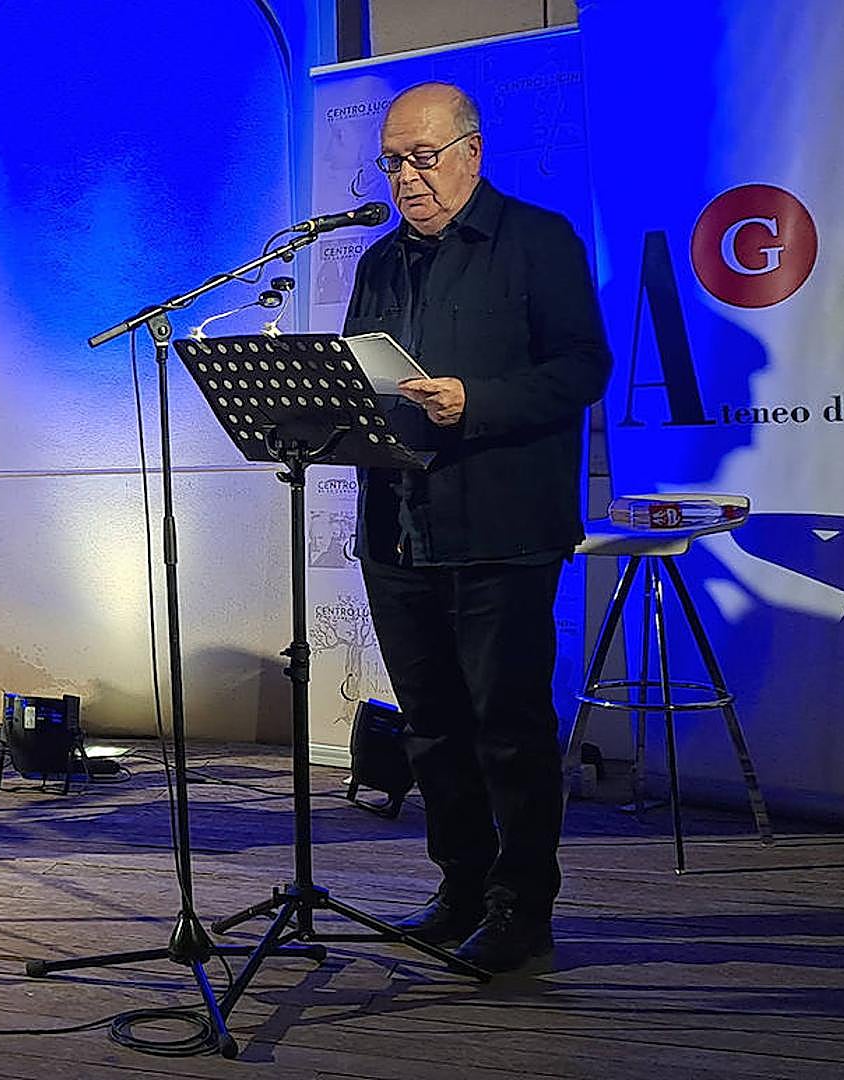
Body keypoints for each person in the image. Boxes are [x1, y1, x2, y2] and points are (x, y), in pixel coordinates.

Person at [343, 83, 611, 972]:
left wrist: (477, 402)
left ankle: (521, 909)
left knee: (509, 726)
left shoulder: (539, 240)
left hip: (502, 526)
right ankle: (460, 886)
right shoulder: (378, 263)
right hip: (398, 527)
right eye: (392, 162)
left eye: (423, 159)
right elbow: (361, 379)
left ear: (472, 152)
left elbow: (583, 369)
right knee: (431, 725)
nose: (406, 179)